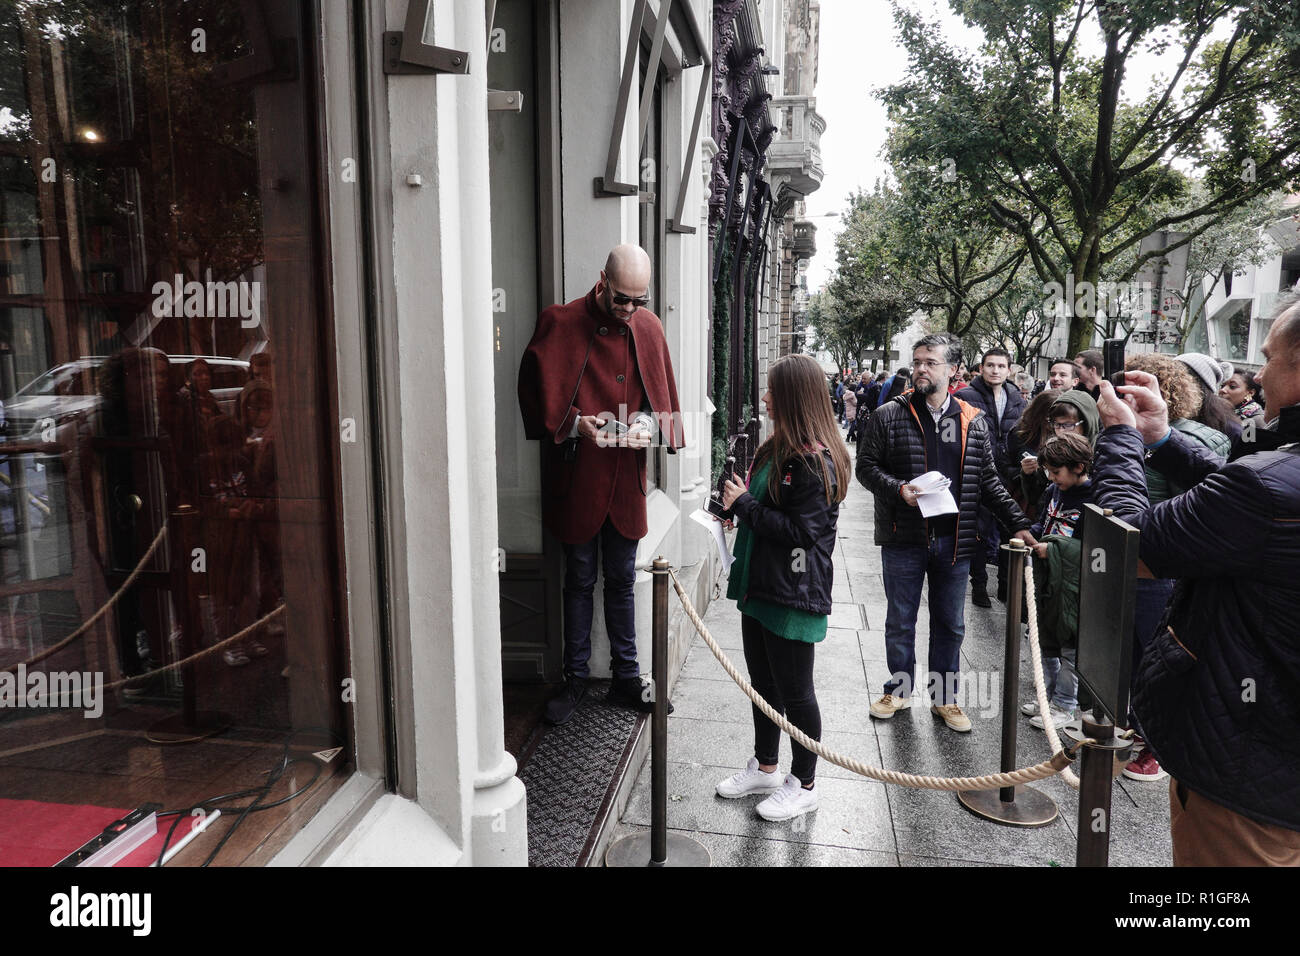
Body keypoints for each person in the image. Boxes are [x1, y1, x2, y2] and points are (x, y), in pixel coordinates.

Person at [1088, 291, 1300, 864]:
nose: (1256, 376)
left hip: (1251, 778)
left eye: (1270, 358)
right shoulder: (1272, 483)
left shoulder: (1267, 487)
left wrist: (1119, 437)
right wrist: (1162, 439)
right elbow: (1249, 499)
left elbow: (1127, 539)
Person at [517, 244, 685, 724]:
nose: (630, 310)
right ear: (601, 281)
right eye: (621, 299)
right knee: (579, 579)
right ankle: (572, 681)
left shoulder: (647, 327)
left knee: (622, 579)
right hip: (579, 479)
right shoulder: (561, 321)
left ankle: (628, 680)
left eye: (639, 301)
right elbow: (533, 399)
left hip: (626, 480)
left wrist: (648, 429)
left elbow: (661, 402)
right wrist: (575, 423)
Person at [857, 335, 1036, 732]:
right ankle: (899, 690)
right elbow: (866, 467)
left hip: (955, 540)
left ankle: (945, 699)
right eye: (917, 361)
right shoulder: (890, 414)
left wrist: (1019, 525)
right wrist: (898, 489)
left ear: (952, 370)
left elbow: (988, 480)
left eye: (930, 363)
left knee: (950, 624)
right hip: (904, 536)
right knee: (900, 619)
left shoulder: (972, 419)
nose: (921, 368)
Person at [713, 354, 851, 822]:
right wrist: (732, 509)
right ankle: (767, 766)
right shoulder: (776, 448)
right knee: (763, 684)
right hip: (762, 585)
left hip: (794, 593)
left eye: (772, 390)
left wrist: (745, 505)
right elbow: (763, 507)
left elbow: (801, 533)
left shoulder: (815, 460)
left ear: (793, 397)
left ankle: (804, 782)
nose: (765, 397)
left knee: (797, 693)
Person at [1117, 353, 1231, 782]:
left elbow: (1200, 506)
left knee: (1156, 654)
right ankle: (1134, 724)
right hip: (1134, 557)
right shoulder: (1150, 433)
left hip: (1163, 561)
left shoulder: (1197, 438)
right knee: (1130, 653)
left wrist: (1126, 447)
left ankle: (1154, 744)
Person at [1023, 432, 1095, 730]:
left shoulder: (1094, 497)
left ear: (1079, 467)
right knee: (1044, 640)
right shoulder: (1056, 491)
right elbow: (1045, 521)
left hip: (1074, 586)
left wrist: (1049, 548)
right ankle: (1047, 696)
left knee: (1069, 648)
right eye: (1049, 473)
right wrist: (1030, 532)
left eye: (1056, 472)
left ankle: (1064, 705)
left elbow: (1090, 548)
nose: (1052, 479)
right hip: (1049, 580)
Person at [956, 348, 1026, 608]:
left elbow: (1022, 434)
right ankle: (980, 584)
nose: (995, 371)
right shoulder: (965, 396)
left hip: (1009, 474)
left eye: (1001, 366)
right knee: (979, 532)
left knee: (1010, 529)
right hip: (977, 474)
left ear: (1009, 369)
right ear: (981, 368)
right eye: (990, 365)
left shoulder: (1016, 397)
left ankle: (1007, 586)